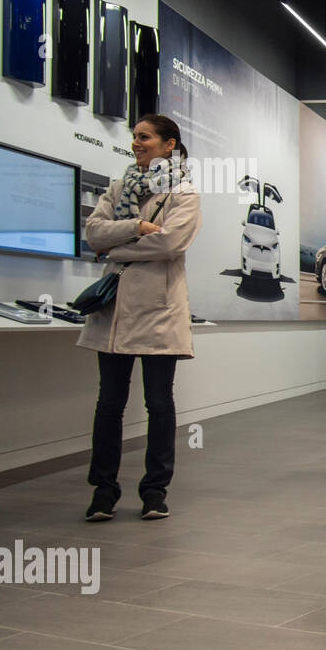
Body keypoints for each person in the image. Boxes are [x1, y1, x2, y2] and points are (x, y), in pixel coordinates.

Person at [78, 114, 202, 520]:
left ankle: (154, 492)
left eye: (145, 137)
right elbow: (93, 233)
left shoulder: (183, 192)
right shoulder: (119, 187)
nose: (136, 143)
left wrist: (114, 249)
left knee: (159, 403)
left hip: (158, 312)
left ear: (170, 144)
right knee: (108, 404)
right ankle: (103, 492)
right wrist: (136, 226)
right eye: (134, 136)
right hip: (113, 312)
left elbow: (170, 244)